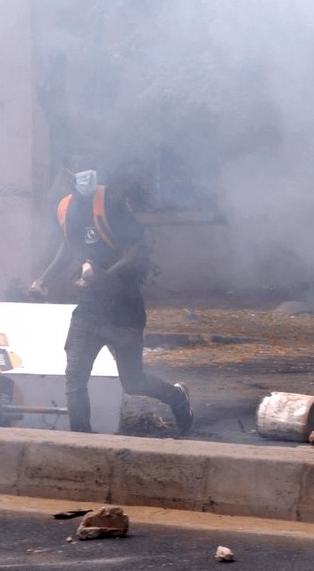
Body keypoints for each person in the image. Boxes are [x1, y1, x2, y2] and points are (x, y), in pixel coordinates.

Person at [30, 168, 193, 435]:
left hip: (124, 310)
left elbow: (138, 251)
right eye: (78, 167)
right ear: (67, 176)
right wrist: (44, 280)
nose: (86, 174)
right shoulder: (65, 208)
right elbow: (68, 245)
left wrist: (104, 275)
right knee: (75, 377)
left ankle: (177, 397)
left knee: (133, 382)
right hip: (89, 310)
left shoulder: (111, 203)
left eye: (90, 165)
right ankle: (81, 443)